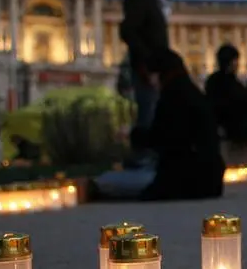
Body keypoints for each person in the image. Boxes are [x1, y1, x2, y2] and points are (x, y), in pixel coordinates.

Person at [92, 50, 225, 201]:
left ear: (159, 74)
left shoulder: (171, 97)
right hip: (210, 180)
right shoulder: (193, 93)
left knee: (107, 181)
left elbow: (162, 139)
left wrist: (131, 134)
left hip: (185, 181)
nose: (150, 82)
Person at [118, 0, 171, 166]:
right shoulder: (142, 0)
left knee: (153, 111)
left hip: (154, 67)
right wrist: (149, 65)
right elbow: (128, 31)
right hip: (147, 68)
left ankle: (148, 155)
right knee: (147, 112)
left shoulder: (151, 1)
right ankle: (141, 157)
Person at [205, 44, 247, 141]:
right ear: (231, 62)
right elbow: (238, 103)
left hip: (230, 123)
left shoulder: (214, 79)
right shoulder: (227, 81)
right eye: (236, 60)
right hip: (236, 125)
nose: (238, 64)